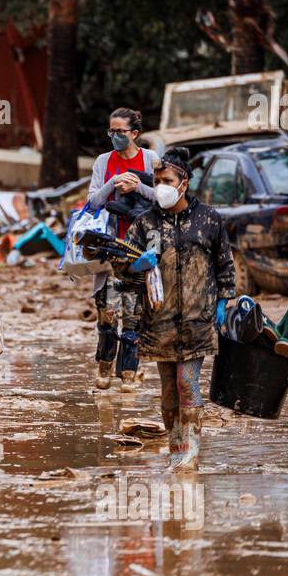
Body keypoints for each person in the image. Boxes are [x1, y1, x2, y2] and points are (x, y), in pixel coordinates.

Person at [117, 147, 235, 471]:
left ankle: (191, 452)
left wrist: (224, 302)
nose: (161, 186)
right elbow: (122, 270)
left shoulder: (209, 219)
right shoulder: (144, 224)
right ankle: (175, 445)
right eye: (156, 181)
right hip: (158, 320)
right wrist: (133, 266)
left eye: (167, 180)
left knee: (187, 382)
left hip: (198, 319)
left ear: (184, 182)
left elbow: (225, 265)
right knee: (169, 392)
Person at [84, 108, 159, 392]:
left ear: (135, 134)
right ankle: (103, 368)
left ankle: (128, 374)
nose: (115, 137)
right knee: (107, 313)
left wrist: (138, 186)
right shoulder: (104, 161)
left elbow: (164, 199)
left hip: (141, 248)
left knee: (134, 314)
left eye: (120, 132)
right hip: (107, 248)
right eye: (111, 132)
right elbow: (92, 203)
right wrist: (112, 184)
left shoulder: (150, 160)